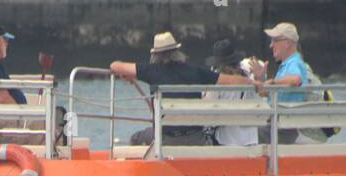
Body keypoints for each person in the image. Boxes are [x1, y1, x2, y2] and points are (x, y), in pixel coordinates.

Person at [109, 32, 252, 147]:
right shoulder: (195, 71)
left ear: (155, 55)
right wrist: (255, 83)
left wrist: (128, 74)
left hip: (165, 140)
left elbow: (115, 65)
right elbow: (230, 80)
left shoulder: (150, 71)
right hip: (196, 140)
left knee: (136, 138)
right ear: (177, 52)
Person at [250, 22, 308, 145]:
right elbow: (266, 93)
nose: (271, 45)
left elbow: (296, 79)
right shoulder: (285, 65)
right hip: (275, 123)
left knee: (241, 132)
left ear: (287, 43)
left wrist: (274, 81)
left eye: (275, 41)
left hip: (283, 128)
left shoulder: (294, 63)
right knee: (243, 127)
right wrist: (261, 78)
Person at [204, 39, 258, 147]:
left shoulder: (218, 82)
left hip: (226, 138)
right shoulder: (248, 76)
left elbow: (209, 110)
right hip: (250, 137)